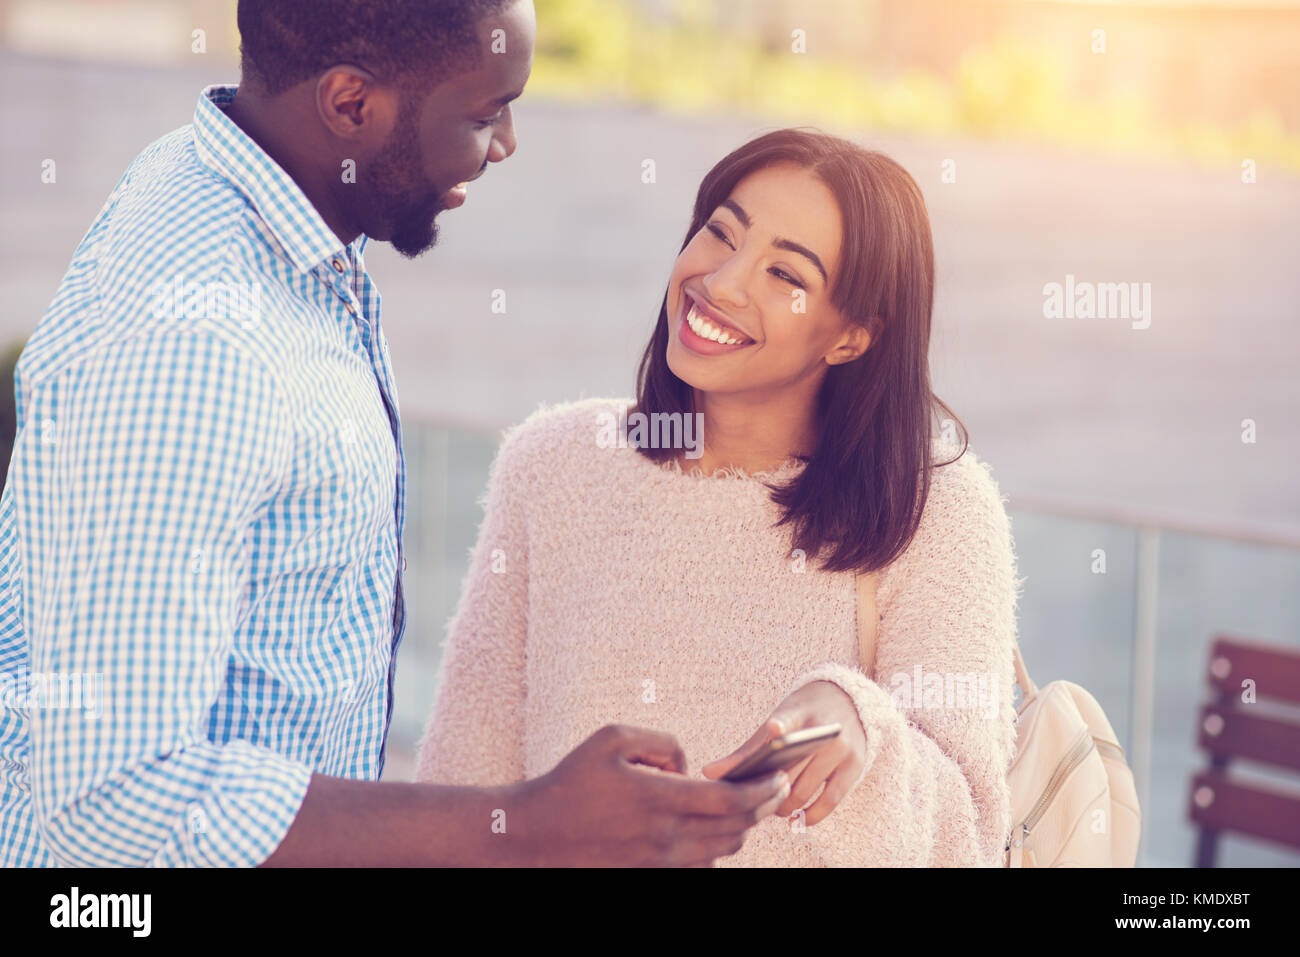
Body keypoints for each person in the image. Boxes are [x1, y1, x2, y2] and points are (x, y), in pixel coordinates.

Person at [0, 0, 787, 869]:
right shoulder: (199, 347)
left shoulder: (234, 187)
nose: (506, 144)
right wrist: (526, 826)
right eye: (484, 114)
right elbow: (111, 791)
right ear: (349, 105)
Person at [414, 129, 1023, 866]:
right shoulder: (551, 465)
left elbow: (970, 839)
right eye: (721, 234)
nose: (723, 282)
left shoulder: (936, 512)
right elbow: (461, 794)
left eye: (786, 276)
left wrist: (864, 725)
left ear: (853, 336)